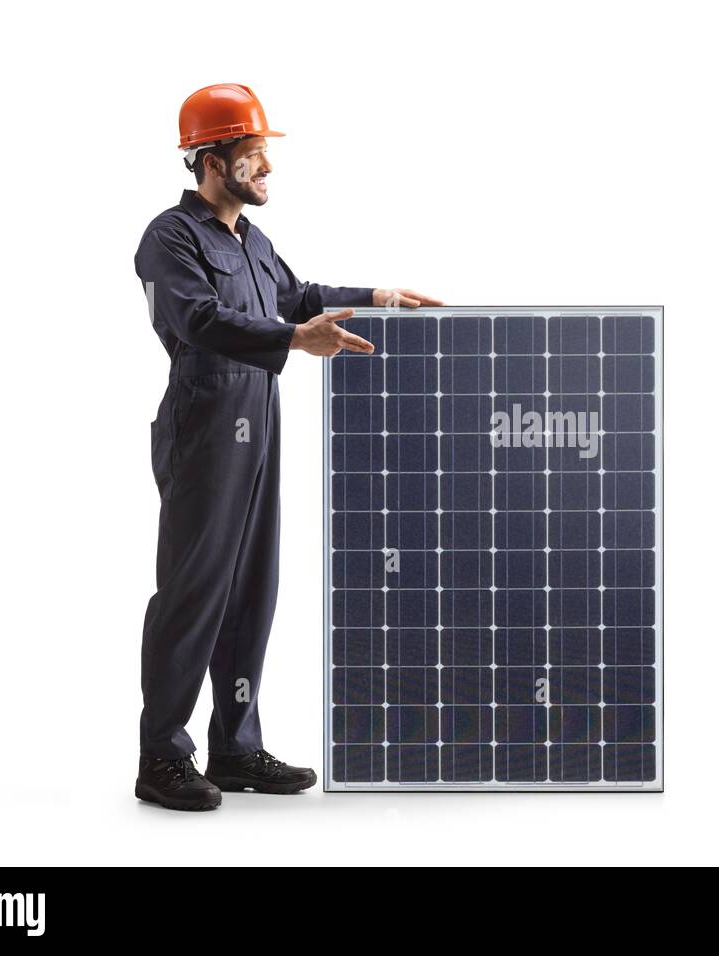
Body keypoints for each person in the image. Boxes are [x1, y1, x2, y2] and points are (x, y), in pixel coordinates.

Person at [133, 83, 442, 811]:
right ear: (210, 159)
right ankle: (161, 759)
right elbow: (199, 319)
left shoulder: (253, 240)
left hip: (258, 420)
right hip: (204, 423)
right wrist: (293, 341)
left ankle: (236, 748)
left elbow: (296, 297)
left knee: (251, 589)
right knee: (194, 591)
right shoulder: (169, 237)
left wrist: (377, 295)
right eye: (252, 150)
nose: (266, 163)